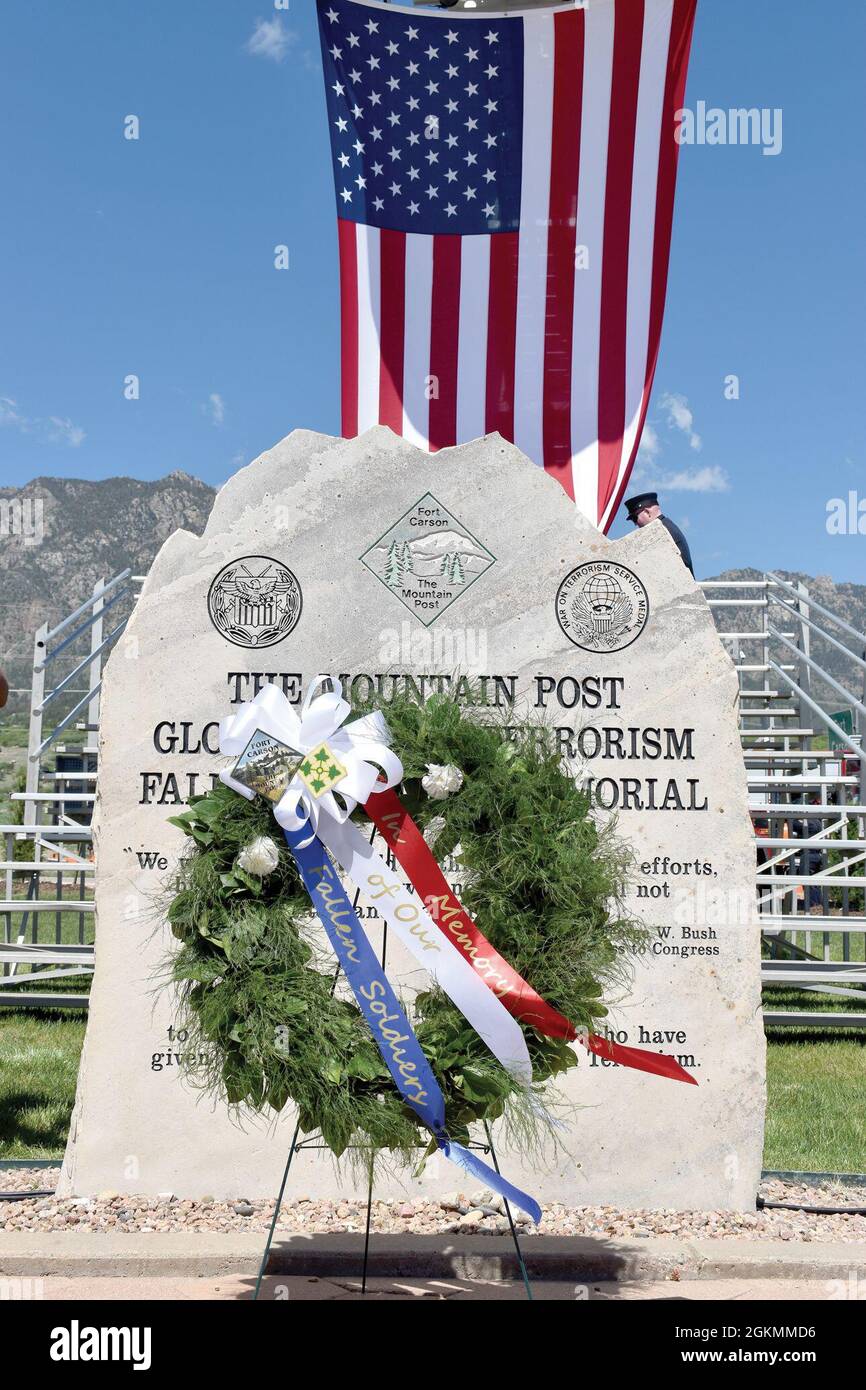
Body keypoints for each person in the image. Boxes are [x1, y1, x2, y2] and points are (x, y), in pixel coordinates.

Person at [624, 491, 694, 577]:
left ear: (647, 512)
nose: (635, 524)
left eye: (635, 518)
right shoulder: (666, 526)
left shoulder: (660, 532)